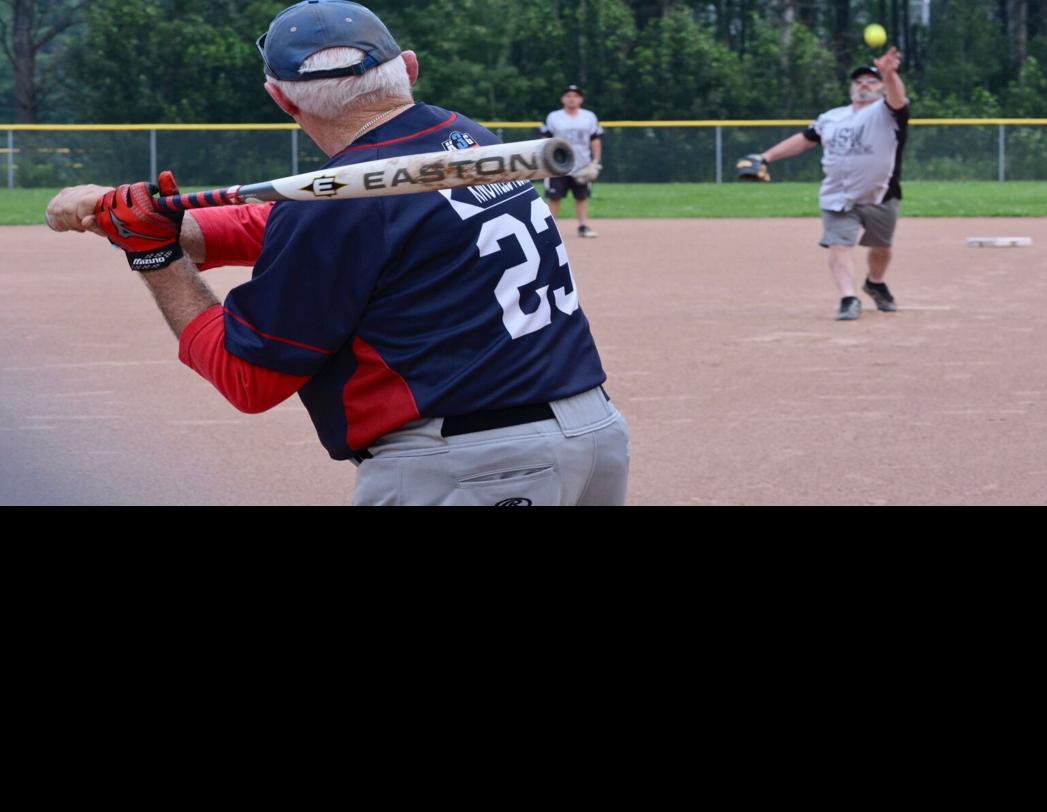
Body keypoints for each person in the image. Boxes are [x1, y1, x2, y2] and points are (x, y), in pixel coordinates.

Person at [42, 0, 628, 506]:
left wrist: (155, 258)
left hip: (471, 467)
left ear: (280, 99)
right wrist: (154, 223)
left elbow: (249, 378)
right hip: (593, 439)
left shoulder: (336, 209)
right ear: (409, 69)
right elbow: (303, 225)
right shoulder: (464, 137)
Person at [740, 47, 908, 321]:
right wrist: (765, 157)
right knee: (839, 244)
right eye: (858, 81)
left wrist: (889, 75)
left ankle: (875, 283)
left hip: (881, 194)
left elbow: (898, 98)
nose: (864, 85)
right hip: (837, 195)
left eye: (872, 81)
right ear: (851, 88)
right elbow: (805, 140)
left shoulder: (888, 112)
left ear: (881, 88)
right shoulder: (832, 117)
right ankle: (848, 298)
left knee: (882, 248)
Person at [540, 84, 603, 238]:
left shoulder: (589, 116)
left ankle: (583, 226)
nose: (571, 99)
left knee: (581, 197)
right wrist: (544, 162)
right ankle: (549, 230)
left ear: (581, 99)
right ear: (563, 99)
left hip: (582, 165)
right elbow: (544, 139)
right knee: (554, 197)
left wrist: (596, 161)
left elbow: (595, 139)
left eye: (575, 96)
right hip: (557, 164)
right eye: (568, 95)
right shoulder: (553, 116)